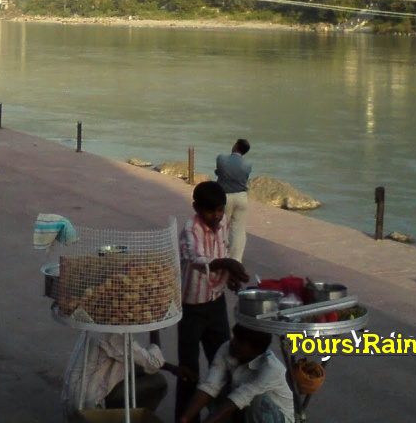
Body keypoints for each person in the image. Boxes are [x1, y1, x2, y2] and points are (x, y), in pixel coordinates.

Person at [176, 181, 250, 420]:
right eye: (211, 211)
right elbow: (196, 259)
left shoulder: (223, 224)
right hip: (191, 308)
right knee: (189, 370)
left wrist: (229, 276)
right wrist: (226, 264)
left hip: (216, 303)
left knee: (225, 363)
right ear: (197, 207)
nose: (217, 216)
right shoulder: (191, 228)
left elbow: (222, 253)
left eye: (220, 210)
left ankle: (223, 416)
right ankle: (187, 418)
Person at [60, 329, 189, 420]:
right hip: (87, 403)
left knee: (142, 369)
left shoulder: (97, 324)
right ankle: (132, 417)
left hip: (75, 395)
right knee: (158, 382)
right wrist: (155, 328)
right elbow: (153, 363)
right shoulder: (112, 335)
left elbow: (138, 358)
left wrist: (172, 368)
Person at [177, 325, 293, 423]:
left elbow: (240, 398)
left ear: (256, 351)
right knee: (217, 391)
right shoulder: (227, 348)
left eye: (240, 342)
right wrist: (184, 419)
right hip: (244, 410)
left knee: (256, 401)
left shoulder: (271, 368)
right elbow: (209, 386)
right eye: (235, 338)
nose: (233, 343)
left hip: (277, 417)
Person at [215, 139, 253, 262]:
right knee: (239, 230)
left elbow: (219, 171)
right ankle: (236, 260)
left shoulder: (221, 158)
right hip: (241, 197)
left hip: (225, 196)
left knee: (221, 226)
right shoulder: (247, 165)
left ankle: (219, 255)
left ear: (236, 146)